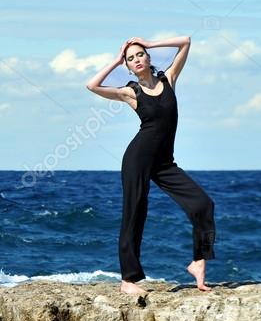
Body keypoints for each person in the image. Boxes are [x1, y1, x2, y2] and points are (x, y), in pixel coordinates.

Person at [85, 36, 216, 296]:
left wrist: (148, 42)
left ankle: (198, 261)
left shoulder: (170, 79)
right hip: (138, 159)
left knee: (203, 204)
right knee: (135, 214)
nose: (136, 60)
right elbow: (92, 85)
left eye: (140, 55)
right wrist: (116, 59)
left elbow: (186, 42)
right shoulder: (131, 92)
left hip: (165, 162)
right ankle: (128, 280)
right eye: (131, 59)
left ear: (148, 58)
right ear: (129, 66)